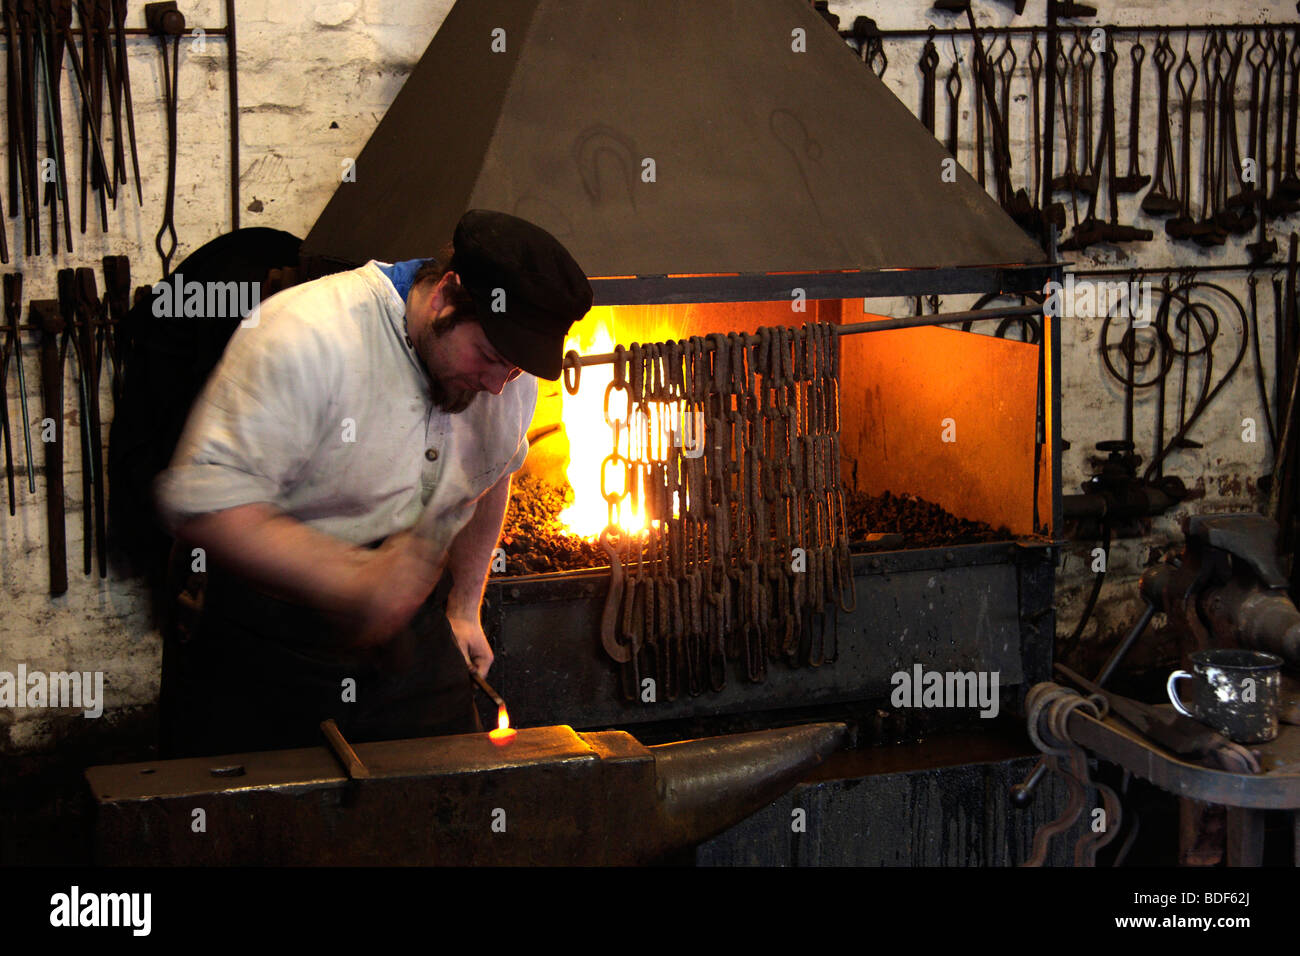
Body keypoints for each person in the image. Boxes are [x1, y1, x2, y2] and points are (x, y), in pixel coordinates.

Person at [154, 209, 592, 757]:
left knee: (445, 808)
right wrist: (354, 582)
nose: (497, 387)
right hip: (266, 636)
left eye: (513, 371)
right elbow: (203, 503)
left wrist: (463, 607)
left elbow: (491, 477)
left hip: (412, 635)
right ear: (446, 297)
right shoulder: (306, 334)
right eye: (488, 357)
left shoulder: (507, 378)